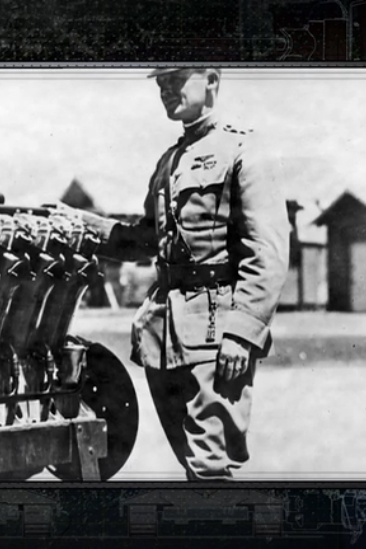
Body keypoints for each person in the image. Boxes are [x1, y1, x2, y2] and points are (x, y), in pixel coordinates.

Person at [73, 67, 290, 479]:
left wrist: (242, 333)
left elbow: (268, 251)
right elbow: (145, 240)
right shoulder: (169, 161)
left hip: (215, 332)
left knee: (208, 463)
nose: (166, 90)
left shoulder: (245, 150)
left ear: (212, 80)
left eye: (176, 80)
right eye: (161, 84)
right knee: (190, 459)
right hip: (164, 333)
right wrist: (81, 223)